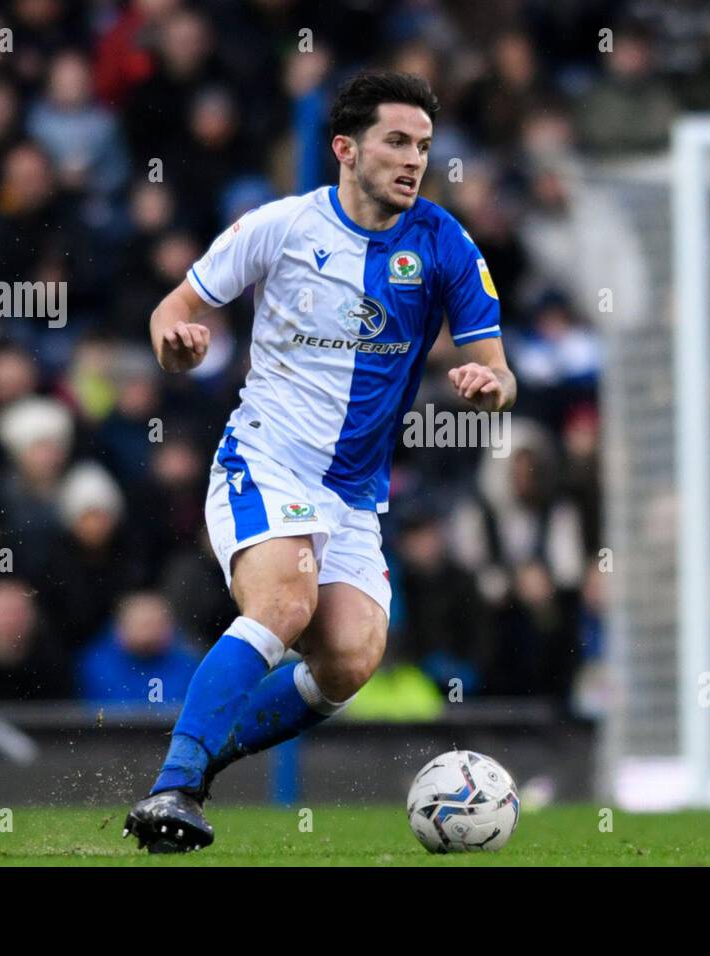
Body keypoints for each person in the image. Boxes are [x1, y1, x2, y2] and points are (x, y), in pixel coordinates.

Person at [123, 72, 515, 852]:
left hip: (355, 493)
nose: (414, 161)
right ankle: (171, 787)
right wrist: (175, 343)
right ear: (345, 148)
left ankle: (196, 771)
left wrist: (485, 384)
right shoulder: (280, 227)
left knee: (351, 658)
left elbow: (498, 371)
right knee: (285, 602)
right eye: (397, 142)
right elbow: (176, 309)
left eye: (425, 147)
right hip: (266, 460)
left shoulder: (445, 243)